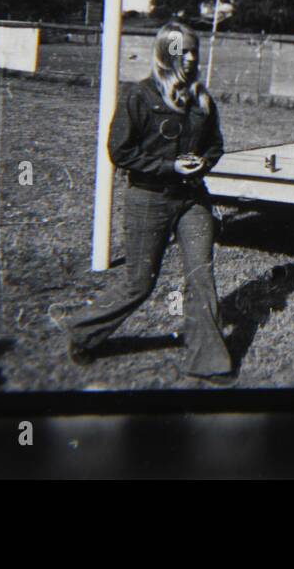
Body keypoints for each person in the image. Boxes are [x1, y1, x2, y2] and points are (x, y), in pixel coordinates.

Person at [59, 22, 232, 381]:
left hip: (192, 200)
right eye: (179, 50)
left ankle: (208, 361)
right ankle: (83, 332)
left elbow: (215, 144)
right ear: (162, 53)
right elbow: (119, 151)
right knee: (140, 283)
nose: (187, 57)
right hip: (148, 199)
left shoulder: (201, 98)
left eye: (192, 50)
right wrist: (169, 166)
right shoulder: (139, 95)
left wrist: (204, 162)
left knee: (201, 276)